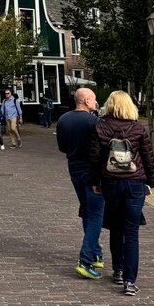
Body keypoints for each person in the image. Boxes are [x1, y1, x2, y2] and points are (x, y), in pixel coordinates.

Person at [90, 90, 154, 295]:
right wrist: (150, 182)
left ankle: (118, 269)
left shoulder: (100, 127)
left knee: (115, 227)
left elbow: (94, 158)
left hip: (110, 182)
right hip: (134, 183)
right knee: (131, 232)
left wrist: (95, 181)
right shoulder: (137, 128)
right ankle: (130, 281)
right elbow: (148, 157)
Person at [57, 87, 103, 280]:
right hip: (92, 172)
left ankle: (95, 251)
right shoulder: (94, 121)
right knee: (96, 215)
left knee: (86, 210)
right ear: (85, 101)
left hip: (74, 169)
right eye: (93, 99)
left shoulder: (63, 120)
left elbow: (62, 147)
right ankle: (85, 259)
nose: (95, 102)